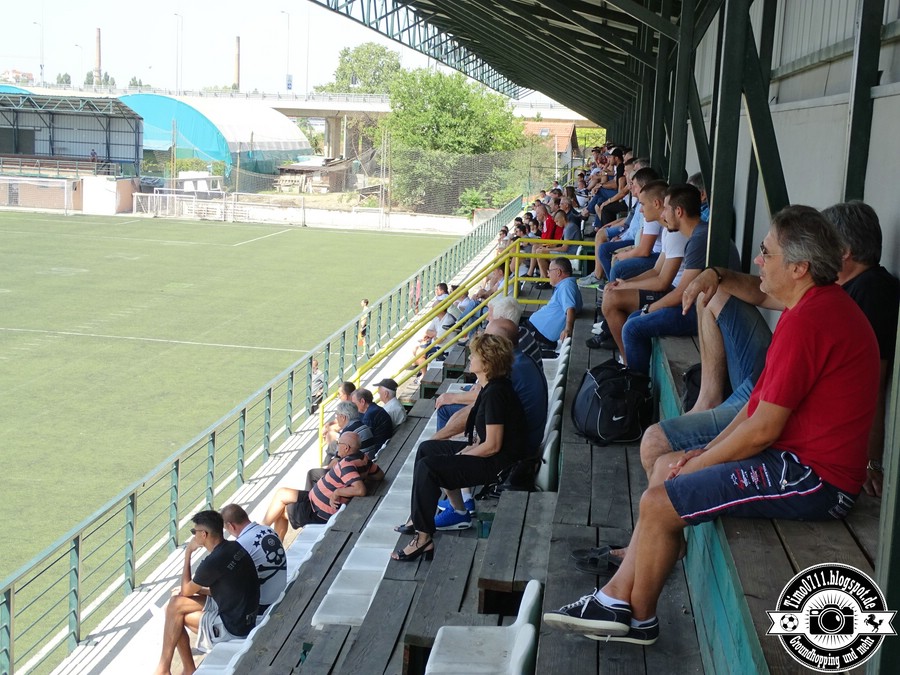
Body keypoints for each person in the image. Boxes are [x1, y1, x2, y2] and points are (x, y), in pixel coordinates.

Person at [545, 205, 880, 646]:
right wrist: (703, 453)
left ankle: (630, 610)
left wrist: (702, 461)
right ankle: (625, 607)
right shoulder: (810, 307)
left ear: (798, 268)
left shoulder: (810, 322)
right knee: (664, 469)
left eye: (767, 252)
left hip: (816, 480)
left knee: (661, 500)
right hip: (795, 460)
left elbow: (762, 430)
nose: (758, 260)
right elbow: (755, 410)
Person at [392, 333, 528, 561]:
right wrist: (469, 447)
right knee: (428, 448)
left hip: (498, 465)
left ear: (487, 362)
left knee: (429, 467)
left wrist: (467, 451)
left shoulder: (496, 393)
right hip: (488, 454)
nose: (470, 356)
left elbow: (493, 446)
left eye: (474, 354)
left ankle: (423, 539)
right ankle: (452, 512)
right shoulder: (490, 387)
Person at [153, 510, 259, 675]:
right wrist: (200, 590)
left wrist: (187, 554)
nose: (193, 535)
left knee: (175, 615)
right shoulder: (234, 547)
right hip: (246, 613)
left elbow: (186, 590)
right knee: (175, 604)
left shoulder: (211, 563)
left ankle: (167, 669)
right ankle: (173, 668)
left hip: (233, 628)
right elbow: (228, 586)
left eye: (194, 532)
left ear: (204, 534)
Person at [263, 431, 383, 540]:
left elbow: (360, 490)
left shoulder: (347, 464)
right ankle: (260, 530)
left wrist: (338, 492)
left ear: (346, 448)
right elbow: (379, 475)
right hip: (315, 498)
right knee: (281, 493)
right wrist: (361, 475)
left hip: (319, 511)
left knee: (280, 512)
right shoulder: (362, 457)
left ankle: (259, 535)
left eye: (339, 443)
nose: (337, 445)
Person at [221, 504, 286, 612]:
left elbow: (233, 586)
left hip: (265, 605)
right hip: (282, 592)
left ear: (231, 526)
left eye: (227, 530)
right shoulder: (269, 530)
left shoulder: (240, 546)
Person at [524, 257, 582, 347]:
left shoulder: (567, 286)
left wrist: (568, 329)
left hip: (537, 333)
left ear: (558, 272)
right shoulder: (566, 285)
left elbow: (570, 308)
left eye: (549, 271)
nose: (548, 275)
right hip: (535, 329)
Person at [351, 388, 393, 456]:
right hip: (383, 446)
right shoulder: (374, 408)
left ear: (362, 401)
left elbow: (364, 438)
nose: (353, 407)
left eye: (354, 403)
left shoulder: (370, 415)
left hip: (379, 451)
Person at [321, 381, 357, 446]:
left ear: (346, 396)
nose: (338, 396)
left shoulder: (351, 408)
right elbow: (337, 421)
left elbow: (341, 426)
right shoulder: (344, 406)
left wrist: (328, 429)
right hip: (346, 435)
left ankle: (333, 454)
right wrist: (328, 424)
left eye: (339, 394)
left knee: (330, 434)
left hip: (350, 438)